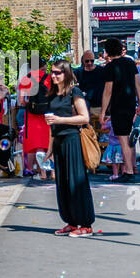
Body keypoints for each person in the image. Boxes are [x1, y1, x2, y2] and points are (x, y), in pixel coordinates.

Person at [43, 60, 95, 237]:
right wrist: (49, 148)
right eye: (52, 72)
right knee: (63, 184)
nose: (53, 75)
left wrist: (60, 120)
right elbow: (51, 125)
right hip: (58, 141)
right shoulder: (52, 94)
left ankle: (86, 224)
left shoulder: (75, 92)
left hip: (73, 140)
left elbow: (84, 118)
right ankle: (72, 222)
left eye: (58, 72)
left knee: (76, 182)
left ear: (66, 73)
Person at [99, 38, 140, 181]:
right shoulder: (130, 63)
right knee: (127, 137)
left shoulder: (110, 68)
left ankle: (128, 171)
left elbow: (108, 91)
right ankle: (130, 168)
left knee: (123, 139)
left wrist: (102, 112)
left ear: (108, 51)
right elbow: (138, 84)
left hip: (118, 106)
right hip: (130, 104)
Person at [18, 67, 53, 180]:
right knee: (49, 143)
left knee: (38, 145)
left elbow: (21, 101)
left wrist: (30, 103)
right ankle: (53, 173)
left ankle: (42, 173)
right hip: (47, 113)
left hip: (32, 115)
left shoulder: (26, 79)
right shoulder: (49, 78)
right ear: (44, 66)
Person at [76, 51, 107, 121]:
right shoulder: (78, 72)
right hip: (85, 107)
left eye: (92, 61)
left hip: (99, 106)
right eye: (87, 61)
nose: (89, 63)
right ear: (83, 60)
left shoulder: (101, 71)